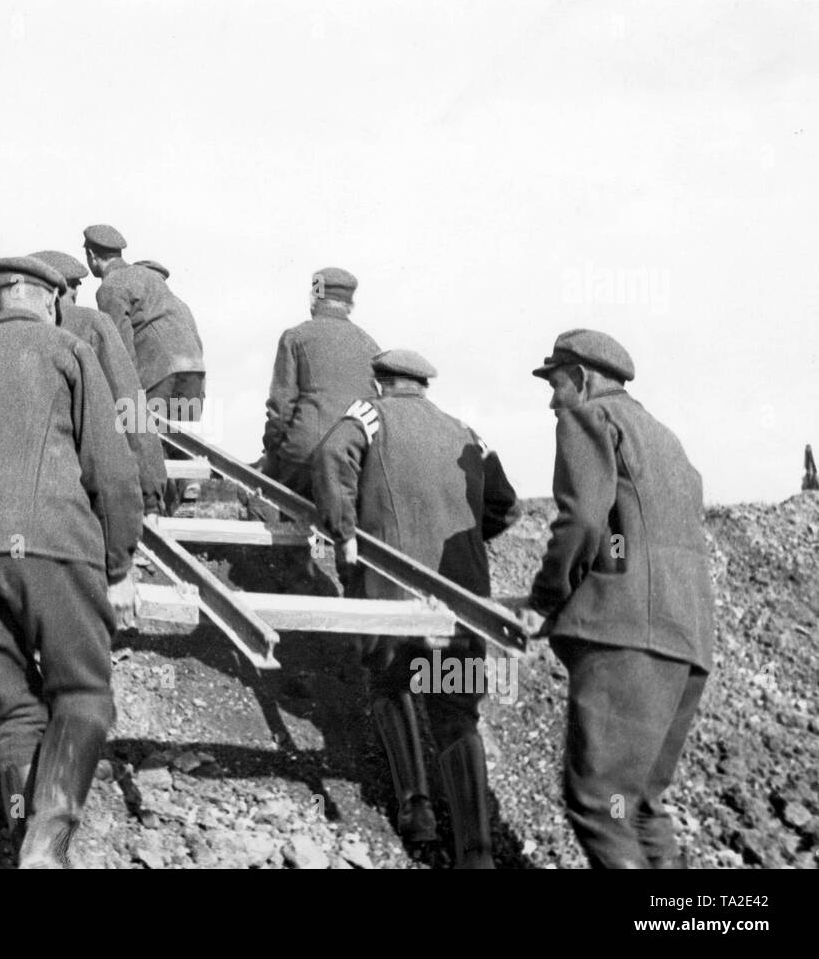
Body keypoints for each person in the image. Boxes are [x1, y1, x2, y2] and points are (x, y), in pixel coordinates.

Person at [0, 255, 142, 868]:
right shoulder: (68, 350)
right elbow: (113, 470)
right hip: (47, 541)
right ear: (48, 300)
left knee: (16, 709)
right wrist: (118, 561)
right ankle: (46, 844)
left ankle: (23, 841)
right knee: (83, 694)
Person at [314, 349, 519, 868]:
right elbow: (506, 505)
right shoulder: (464, 430)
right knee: (455, 714)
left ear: (380, 382)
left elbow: (331, 457)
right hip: (460, 599)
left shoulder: (367, 415)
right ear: (423, 386)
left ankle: (417, 812)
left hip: (390, 590)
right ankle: (477, 854)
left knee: (391, 682)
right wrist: (467, 544)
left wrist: (343, 533)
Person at [519, 329, 714, 869]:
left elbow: (582, 518)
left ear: (580, 379)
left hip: (625, 636)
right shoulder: (664, 437)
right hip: (688, 640)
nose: (553, 399)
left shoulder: (588, 417)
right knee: (641, 808)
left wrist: (546, 596)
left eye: (556, 384)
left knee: (601, 807)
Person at [31, 249, 168, 516]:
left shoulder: (3, 336)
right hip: (84, 492)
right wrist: (151, 494)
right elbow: (130, 406)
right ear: (69, 289)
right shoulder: (91, 326)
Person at [84, 224, 205, 509]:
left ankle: (149, 511)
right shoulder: (154, 282)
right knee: (176, 438)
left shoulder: (111, 286)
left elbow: (119, 349)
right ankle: (187, 492)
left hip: (157, 369)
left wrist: (123, 393)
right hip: (193, 368)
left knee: (141, 437)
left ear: (91, 256)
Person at [262, 267, 380, 499]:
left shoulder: (295, 337)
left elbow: (281, 406)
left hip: (305, 455)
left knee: (279, 508)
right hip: (353, 459)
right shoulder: (371, 345)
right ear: (350, 305)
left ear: (314, 299)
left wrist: (272, 452)